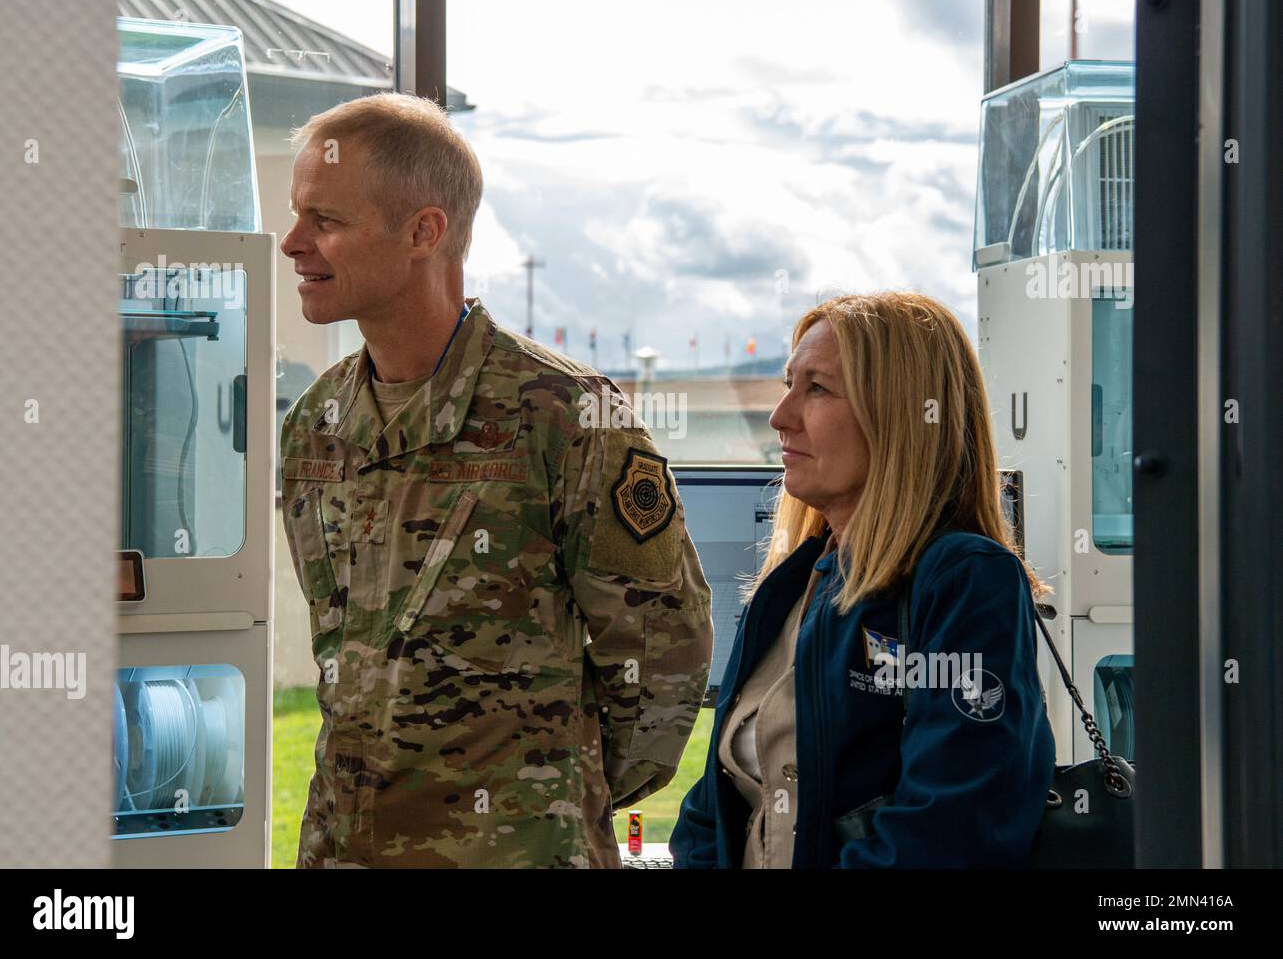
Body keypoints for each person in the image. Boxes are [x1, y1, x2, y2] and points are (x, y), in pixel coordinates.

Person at [278, 92, 712, 868]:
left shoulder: (566, 416)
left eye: (325, 221)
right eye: (297, 216)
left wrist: (544, 794)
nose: (292, 243)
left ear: (423, 232)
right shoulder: (318, 425)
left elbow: (662, 659)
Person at [670, 291, 1055, 868]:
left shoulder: (965, 582)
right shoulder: (790, 585)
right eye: (787, 385)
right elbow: (711, 806)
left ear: (900, 415)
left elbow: (949, 830)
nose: (780, 417)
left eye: (817, 389)